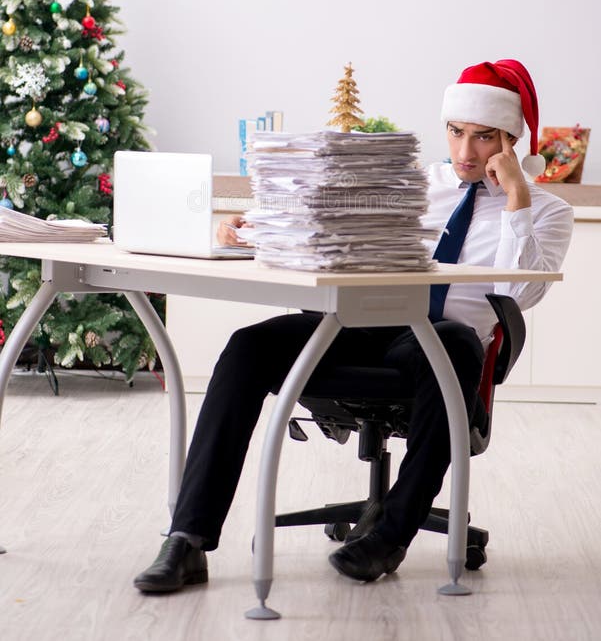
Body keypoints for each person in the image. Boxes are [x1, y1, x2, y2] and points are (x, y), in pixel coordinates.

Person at [133, 58, 573, 590]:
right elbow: (329, 233)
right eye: (456, 133)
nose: (464, 153)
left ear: (511, 139)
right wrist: (253, 232)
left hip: (437, 343)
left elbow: (518, 294)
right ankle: (188, 540)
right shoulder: (406, 182)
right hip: (359, 325)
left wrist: (515, 203)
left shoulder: (544, 210)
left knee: (455, 342)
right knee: (247, 348)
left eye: (483, 138)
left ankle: (389, 537)